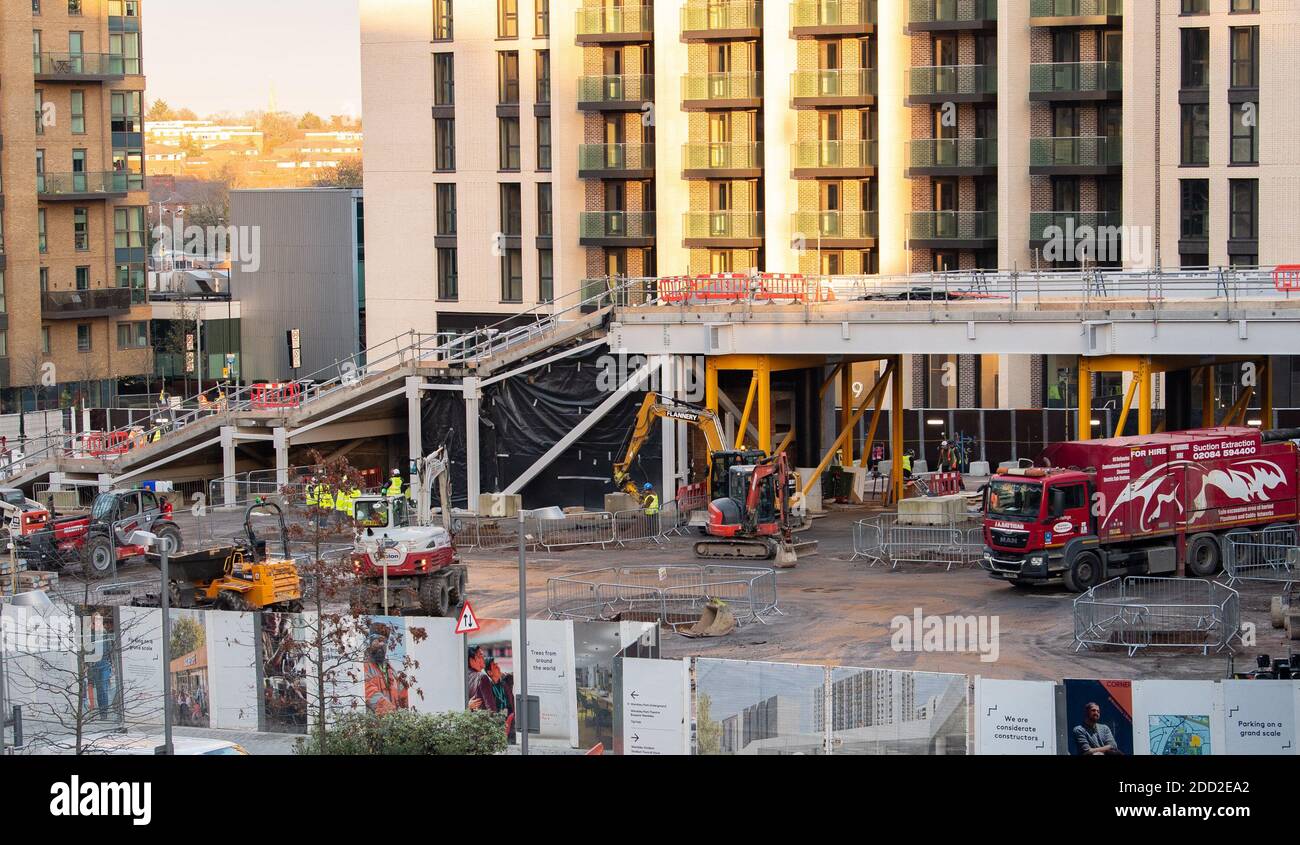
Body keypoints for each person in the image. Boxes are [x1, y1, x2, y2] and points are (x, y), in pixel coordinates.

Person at [363, 625, 408, 715]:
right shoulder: (364, 667)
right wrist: (392, 713)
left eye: (385, 642)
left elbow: (403, 695)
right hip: (374, 725)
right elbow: (370, 692)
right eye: (379, 640)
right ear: (370, 642)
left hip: (392, 724)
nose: (382, 644)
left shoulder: (391, 670)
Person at [486, 658, 516, 741]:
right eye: (495, 667)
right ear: (489, 672)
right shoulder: (487, 687)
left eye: (497, 665)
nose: (498, 667)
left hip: (510, 722)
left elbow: (519, 673)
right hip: (496, 722)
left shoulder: (506, 680)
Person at [465, 646, 497, 712]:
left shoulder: (461, 677)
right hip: (482, 720)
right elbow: (491, 710)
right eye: (480, 656)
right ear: (471, 660)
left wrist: (466, 705)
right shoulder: (482, 677)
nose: (483, 660)